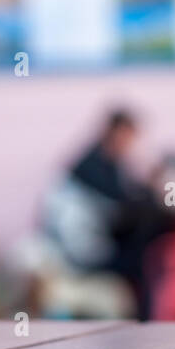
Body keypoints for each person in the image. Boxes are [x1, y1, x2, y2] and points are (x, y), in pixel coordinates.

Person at [67, 108, 166, 317]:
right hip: (86, 252)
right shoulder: (91, 165)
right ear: (115, 132)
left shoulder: (109, 163)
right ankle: (145, 316)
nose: (129, 143)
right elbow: (118, 205)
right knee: (143, 257)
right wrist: (149, 191)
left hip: (99, 242)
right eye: (128, 136)